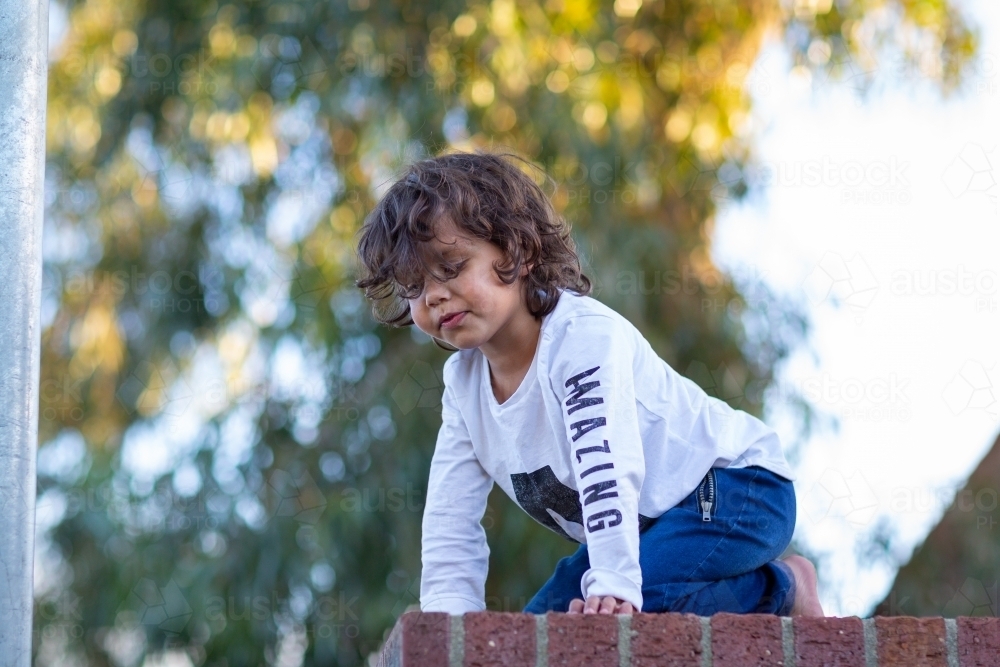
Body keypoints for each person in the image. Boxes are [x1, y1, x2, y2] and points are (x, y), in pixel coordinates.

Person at [353, 148, 824, 617]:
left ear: (519, 251)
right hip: (646, 530)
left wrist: (615, 583)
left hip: (736, 489)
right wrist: (448, 626)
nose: (434, 295)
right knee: (541, 632)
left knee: (637, 606)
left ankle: (782, 586)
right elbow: (450, 516)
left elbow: (605, 466)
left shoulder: (580, 339)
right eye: (413, 286)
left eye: (452, 269)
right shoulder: (463, 385)